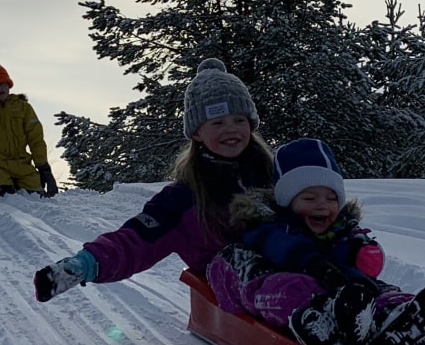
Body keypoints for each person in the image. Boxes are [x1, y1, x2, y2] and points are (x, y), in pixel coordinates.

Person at [207, 137, 425, 345]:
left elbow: (359, 269)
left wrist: (362, 250)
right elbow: (279, 247)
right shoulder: (272, 226)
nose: (322, 205)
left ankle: (397, 334)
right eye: (309, 198)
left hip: (345, 296)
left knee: (385, 292)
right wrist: (313, 263)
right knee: (292, 287)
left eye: (331, 198)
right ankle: (322, 325)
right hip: (288, 286)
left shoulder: (343, 230)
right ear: (287, 201)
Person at [34, 58, 272, 298]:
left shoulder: (274, 174)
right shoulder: (182, 198)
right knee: (243, 261)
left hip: (291, 269)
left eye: (239, 120)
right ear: (197, 133)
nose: (230, 129)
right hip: (239, 287)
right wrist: (85, 265)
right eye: (218, 122)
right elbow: (137, 240)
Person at [0, 63, 58, 196]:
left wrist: (44, 169)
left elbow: (36, 139)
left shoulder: (23, 107)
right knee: (3, 195)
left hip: (22, 163)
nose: (0, 88)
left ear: (9, 85)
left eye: (3, 84)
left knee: (35, 197)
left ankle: (8, 185)